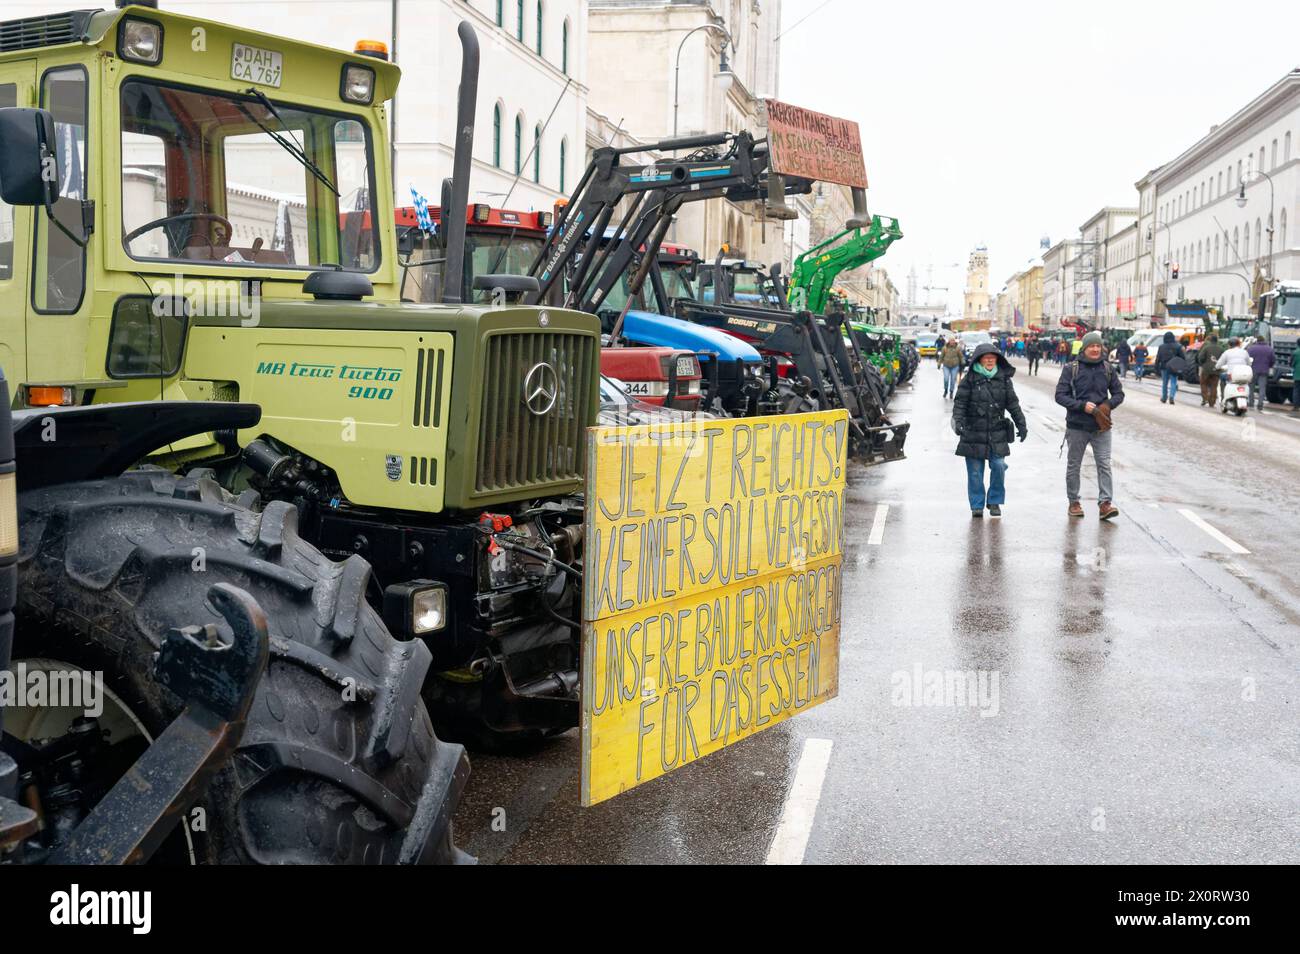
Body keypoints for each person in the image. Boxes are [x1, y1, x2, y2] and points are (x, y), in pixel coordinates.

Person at [1055, 331, 1124, 520]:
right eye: (1091, 346)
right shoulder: (1072, 368)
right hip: (1077, 426)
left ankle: (1105, 504)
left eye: (1098, 346)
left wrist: (1108, 405)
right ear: (1084, 349)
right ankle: (1074, 502)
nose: (1095, 349)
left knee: (1104, 464)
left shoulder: (1108, 368)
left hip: (1101, 427)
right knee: (1074, 465)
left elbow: (1119, 394)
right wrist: (1081, 406)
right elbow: (1060, 395)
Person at [953, 343, 1027, 518]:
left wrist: (1021, 424)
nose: (989, 361)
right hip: (973, 432)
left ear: (997, 360)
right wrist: (959, 422)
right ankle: (977, 505)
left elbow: (1013, 404)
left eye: (992, 358)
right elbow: (960, 403)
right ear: (979, 359)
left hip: (997, 432)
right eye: (986, 358)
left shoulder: (1003, 379)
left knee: (999, 466)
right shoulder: (969, 379)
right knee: (975, 472)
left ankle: (994, 501)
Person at [1216, 337, 1253, 406]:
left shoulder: (1227, 352)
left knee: (1222, 377)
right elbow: (1249, 364)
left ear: (1229, 345)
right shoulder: (1244, 352)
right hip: (1244, 375)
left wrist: (1216, 367)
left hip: (1232, 376)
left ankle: (1223, 397)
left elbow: (1218, 365)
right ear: (1238, 344)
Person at [1154, 331, 1186, 404]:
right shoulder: (1178, 346)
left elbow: (1158, 358)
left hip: (1164, 367)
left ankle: (1164, 397)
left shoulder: (1161, 346)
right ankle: (1171, 396)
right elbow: (1182, 357)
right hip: (1174, 367)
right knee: (1173, 382)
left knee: (1165, 383)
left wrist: (1156, 368)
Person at [1246, 336, 1276, 411]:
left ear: (1257, 340)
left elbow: (1247, 359)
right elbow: (1273, 360)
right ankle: (1260, 404)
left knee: (1251, 387)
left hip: (1253, 370)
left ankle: (1251, 402)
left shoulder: (1251, 348)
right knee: (1262, 388)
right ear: (1264, 340)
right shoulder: (1269, 349)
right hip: (1264, 370)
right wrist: (1269, 366)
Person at [1196, 333, 1224, 406]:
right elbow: (1223, 360)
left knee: (1203, 383)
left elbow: (1200, 357)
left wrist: (1202, 364)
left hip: (1206, 369)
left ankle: (1205, 398)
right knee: (1214, 386)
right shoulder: (1221, 349)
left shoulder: (1206, 347)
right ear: (1217, 340)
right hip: (1216, 370)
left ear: (1210, 340)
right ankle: (1212, 402)